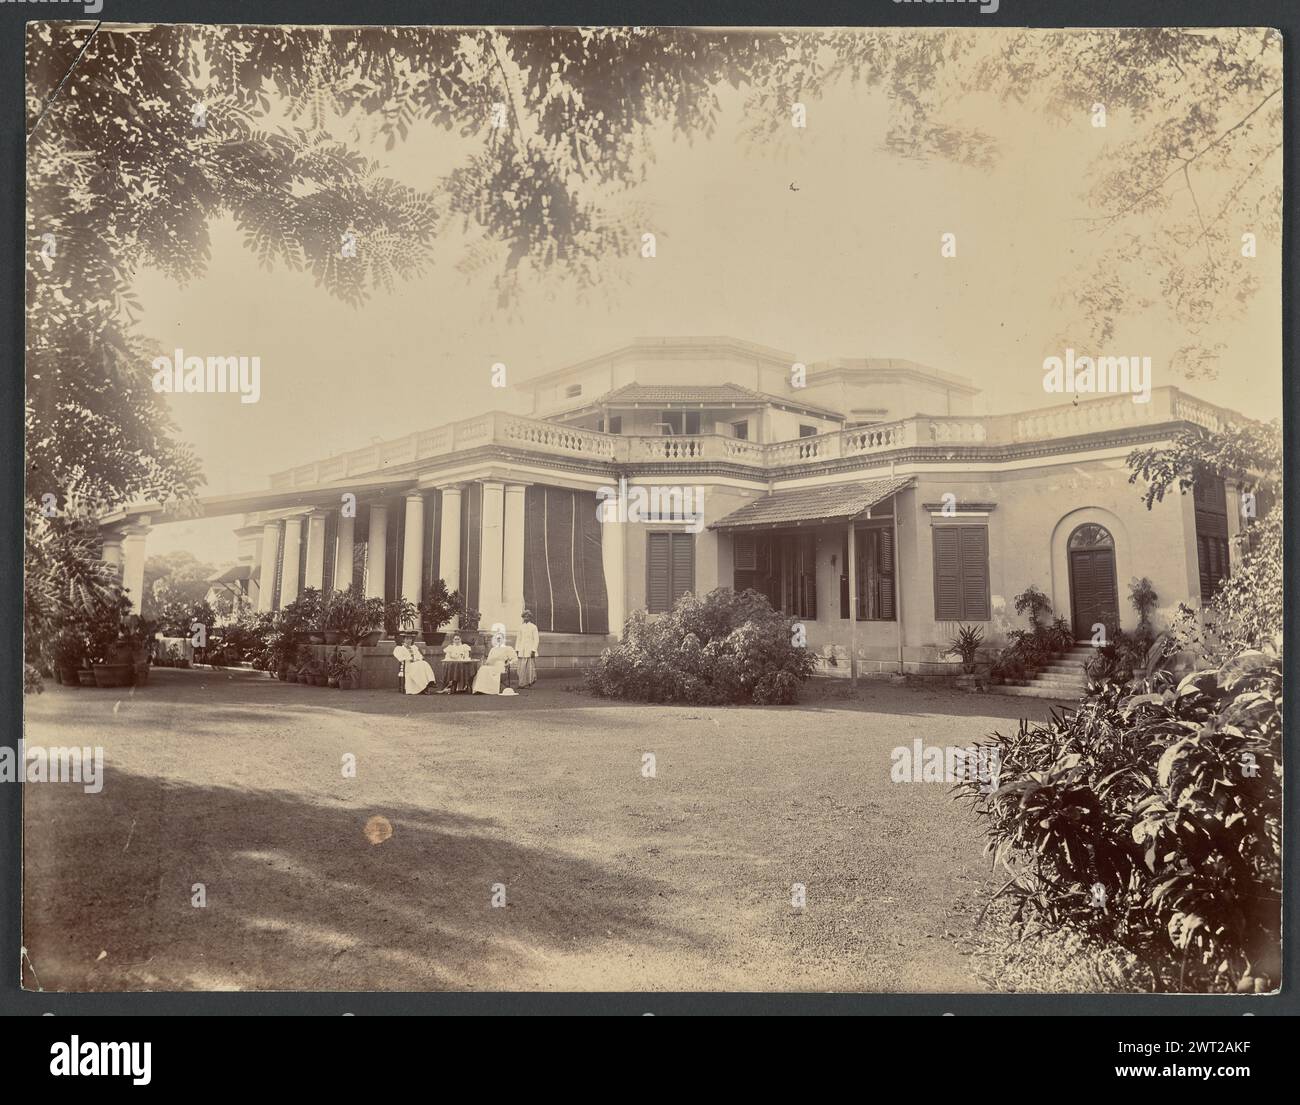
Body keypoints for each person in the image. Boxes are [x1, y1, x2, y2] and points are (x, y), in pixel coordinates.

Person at [516, 611, 540, 688]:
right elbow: (518, 639)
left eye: (527, 616)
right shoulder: (520, 627)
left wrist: (533, 650)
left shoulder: (533, 627)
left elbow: (536, 639)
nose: (526, 618)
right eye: (524, 617)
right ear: (523, 617)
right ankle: (521, 683)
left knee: (530, 666)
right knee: (521, 667)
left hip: (530, 649)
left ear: (530, 617)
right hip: (522, 649)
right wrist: (517, 649)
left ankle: (530, 681)